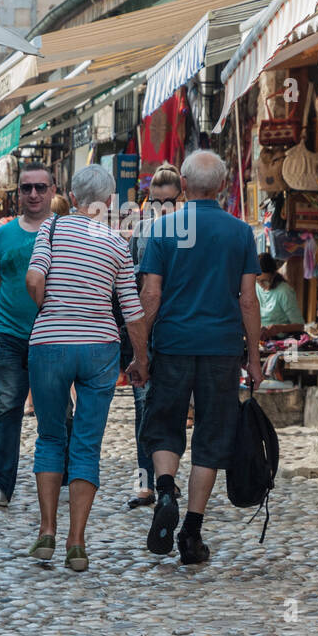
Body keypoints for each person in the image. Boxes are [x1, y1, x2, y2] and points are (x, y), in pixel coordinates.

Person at [131, 150, 262, 565]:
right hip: (222, 348)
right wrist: (255, 358)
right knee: (211, 434)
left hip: (172, 344)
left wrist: (140, 350)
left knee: (164, 424)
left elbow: (150, 294)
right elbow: (248, 300)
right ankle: (191, 531)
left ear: (183, 186)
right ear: (223, 186)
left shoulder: (163, 229)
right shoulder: (241, 232)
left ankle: (165, 488)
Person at [25, 164, 147, 570]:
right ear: (110, 201)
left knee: (49, 437)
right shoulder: (116, 243)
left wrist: (49, 307)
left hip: (50, 344)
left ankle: (47, 531)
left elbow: (33, 279)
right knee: (87, 443)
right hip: (100, 349)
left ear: (72, 198)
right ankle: (77, 542)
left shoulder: (52, 230)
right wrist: (141, 360)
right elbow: (132, 311)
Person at [0, 161, 57, 506]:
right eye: (26, 188)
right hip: (7, 333)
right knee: (6, 406)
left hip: (54, 335)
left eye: (40, 187)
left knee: (56, 408)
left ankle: (58, 475)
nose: (33, 193)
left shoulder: (63, 231)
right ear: (17, 192)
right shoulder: (3, 235)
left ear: (53, 191)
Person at [125, 162, 182, 510]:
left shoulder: (189, 231)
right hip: (145, 331)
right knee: (143, 407)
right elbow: (129, 280)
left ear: (181, 198)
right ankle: (146, 483)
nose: (162, 208)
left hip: (178, 331)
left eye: (168, 202)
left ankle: (167, 482)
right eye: (155, 201)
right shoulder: (142, 232)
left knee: (173, 410)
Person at [256, 253, 305, 338]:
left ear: (274, 275)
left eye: (265, 281)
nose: (261, 285)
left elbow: (300, 326)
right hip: (261, 340)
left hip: (281, 341)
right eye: (257, 280)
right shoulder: (255, 287)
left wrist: (279, 328)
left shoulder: (284, 291)